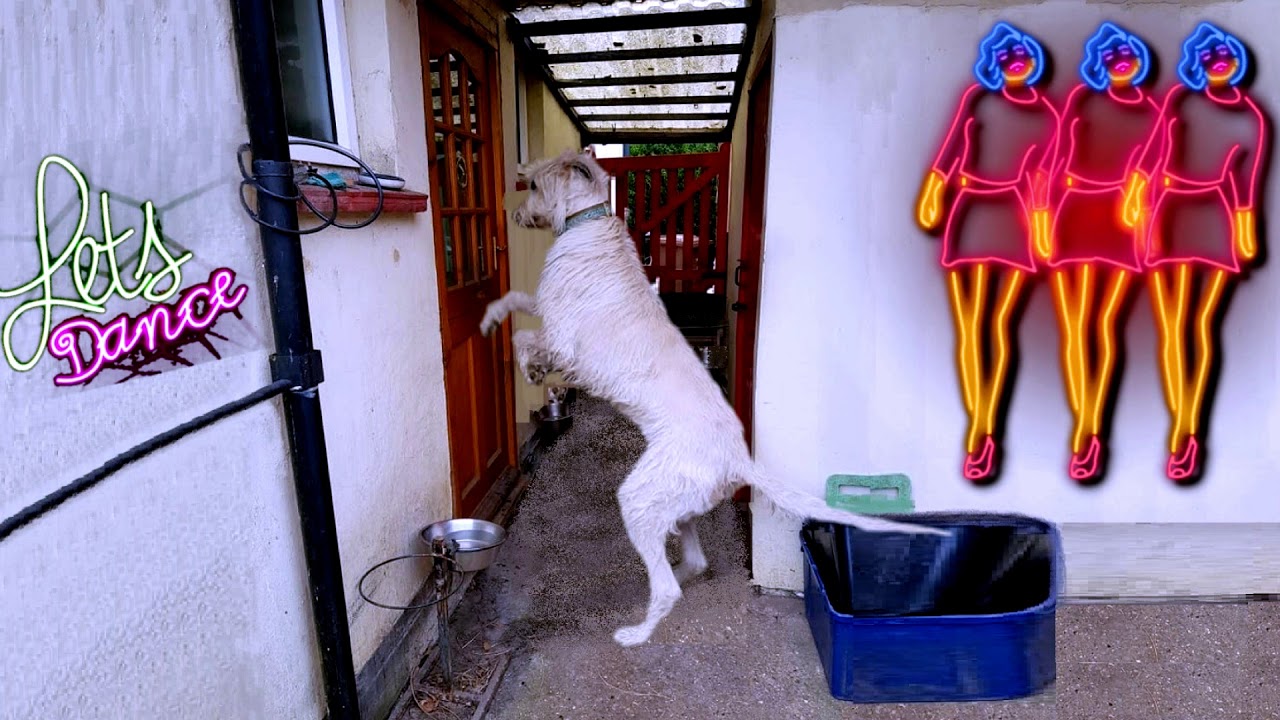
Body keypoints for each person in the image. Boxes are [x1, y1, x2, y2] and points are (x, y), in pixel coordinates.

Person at [916, 22, 1061, 482]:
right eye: (1008, 59)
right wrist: (934, 194)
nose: (1016, 66)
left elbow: (1042, 181)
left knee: (999, 325)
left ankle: (986, 429)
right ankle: (978, 421)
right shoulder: (978, 102)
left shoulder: (1047, 118)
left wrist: (1042, 233)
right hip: (971, 211)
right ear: (997, 65)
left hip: (1012, 217)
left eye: (1022, 59)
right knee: (971, 324)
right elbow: (949, 156)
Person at [1127, 22, 1267, 482]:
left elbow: (1246, 184)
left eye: (1224, 59)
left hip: (1216, 219)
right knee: (1172, 326)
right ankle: (1180, 429)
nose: (1218, 67)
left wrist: (1246, 232)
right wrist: (1139, 208)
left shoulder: (1251, 117)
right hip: (1171, 215)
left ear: (1235, 64)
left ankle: (1189, 428)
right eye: (1210, 60)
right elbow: (1150, 158)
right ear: (1199, 65)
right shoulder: (1178, 102)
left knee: (1201, 326)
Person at [1044, 22, 1162, 483]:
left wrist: (1144, 224)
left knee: (1104, 324)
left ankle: (1092, 423)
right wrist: (1043, 219)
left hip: (1118, 218)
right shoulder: (1080, 101)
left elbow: (1147, 173)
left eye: (1128, 58)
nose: (1122, 65)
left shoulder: (1151, 112)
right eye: (1114, 59)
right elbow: (1054, 161)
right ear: (1103, 64)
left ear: (1138, 63)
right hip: (1074, 210)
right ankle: (1084, 428)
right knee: (1075, 325)